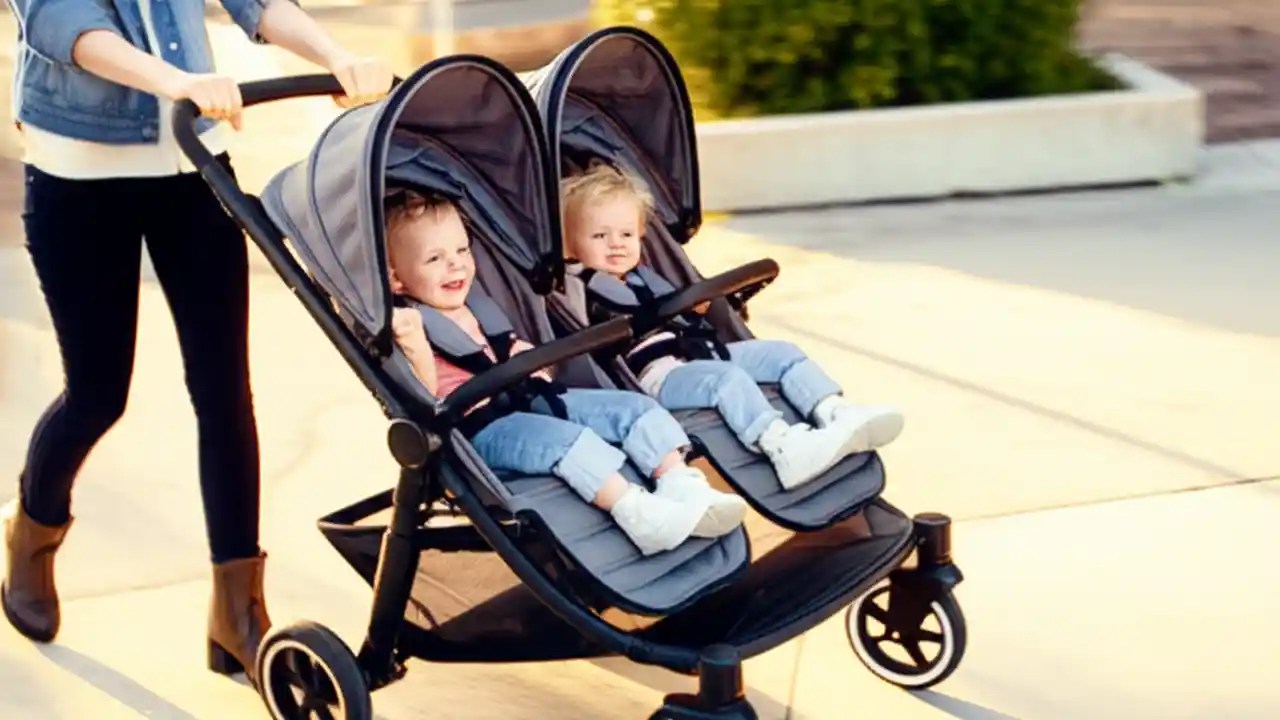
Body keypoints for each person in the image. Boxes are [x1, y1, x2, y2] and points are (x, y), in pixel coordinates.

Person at [0, 0, 394, 689]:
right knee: (97, 393)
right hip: (77, 176)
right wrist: (172, 81)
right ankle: (31, 529)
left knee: (224, 391)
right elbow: (65, 24)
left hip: (192, 165)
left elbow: (258, 4)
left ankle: (238, 615)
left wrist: (334, 55)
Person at [383, 188, 748, 556]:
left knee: (634, 408)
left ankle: (681, 484)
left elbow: (507, 345)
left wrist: (532, 363)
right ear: (397, 279)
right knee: (571, 443)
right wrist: (412, 340)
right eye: (435, 258)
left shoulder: (475, 305)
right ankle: (640, 515)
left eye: (462, 251)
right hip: (486, 428)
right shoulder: (409, 324)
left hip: (533, 397)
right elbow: (424, 399)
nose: (456, 265)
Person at [560, 162, 905, 492]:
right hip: (657, 378)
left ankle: (835, 412)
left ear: (642, 235)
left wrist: (692, 311)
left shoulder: (644, 278)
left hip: (695, 356)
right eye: (599, 235)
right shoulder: (579, 288)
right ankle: (782, 447)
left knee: (780, 352)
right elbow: (595, 336)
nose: (616, 243)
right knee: (728, 380)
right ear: (572, 244)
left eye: (626, 234)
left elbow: (676, 318)